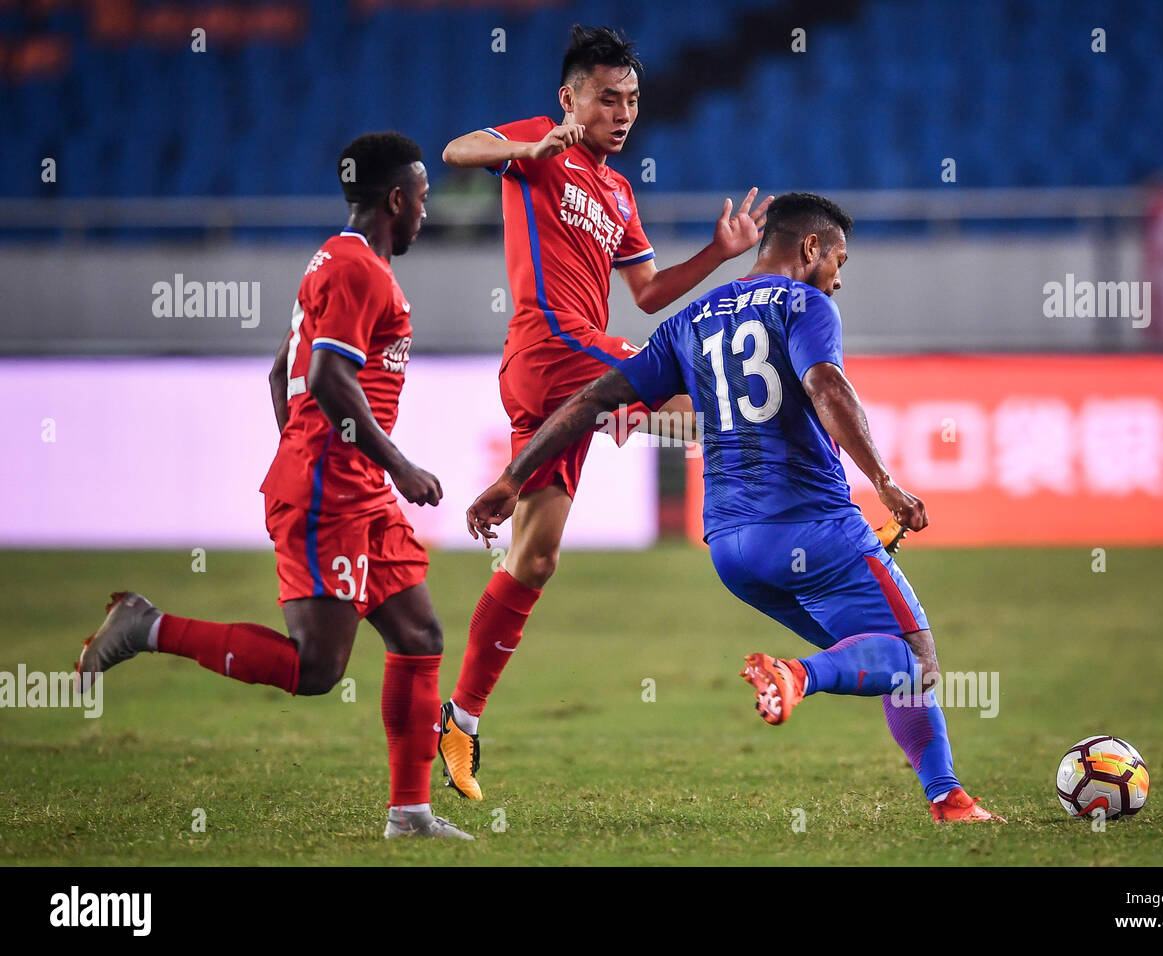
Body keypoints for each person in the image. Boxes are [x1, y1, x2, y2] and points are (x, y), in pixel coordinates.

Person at [466, 192, 1005, 823]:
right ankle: (797, 677)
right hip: (814, 525)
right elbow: (826, 384)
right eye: (839, 260)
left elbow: (591, 401)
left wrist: (513, 477)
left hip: (731, 548)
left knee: (877, 654)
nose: (839, 277)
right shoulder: (806, 305)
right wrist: (884, 482)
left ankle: (949, 799)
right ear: (811, 247)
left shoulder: (689, 320)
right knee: (913, 658)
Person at [75, 132, 473, 840]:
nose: (426, 210)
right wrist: (395, 465)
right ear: (395, 199)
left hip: (349, 486)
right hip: (332, 492)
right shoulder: (359, 272)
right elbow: (325, 377)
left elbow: (278, 372)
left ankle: (410, 815)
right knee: (316, 668)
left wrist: (311, 451)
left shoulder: (338, 260)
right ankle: (147, 626)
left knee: (419, 635)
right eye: (421, 197)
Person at [438, 24, 772, 799]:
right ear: (570, 98)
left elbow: (648, 293)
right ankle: (793, 519)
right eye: (607, 99)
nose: (622, 114)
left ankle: (460, 721)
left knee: (535, 559)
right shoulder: (538, 143)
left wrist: (719, 255)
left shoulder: (618, 192)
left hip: (568, 383)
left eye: (632, 100)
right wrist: (526, 148)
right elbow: (455, 152)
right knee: (704, 396)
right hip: (554, 346)